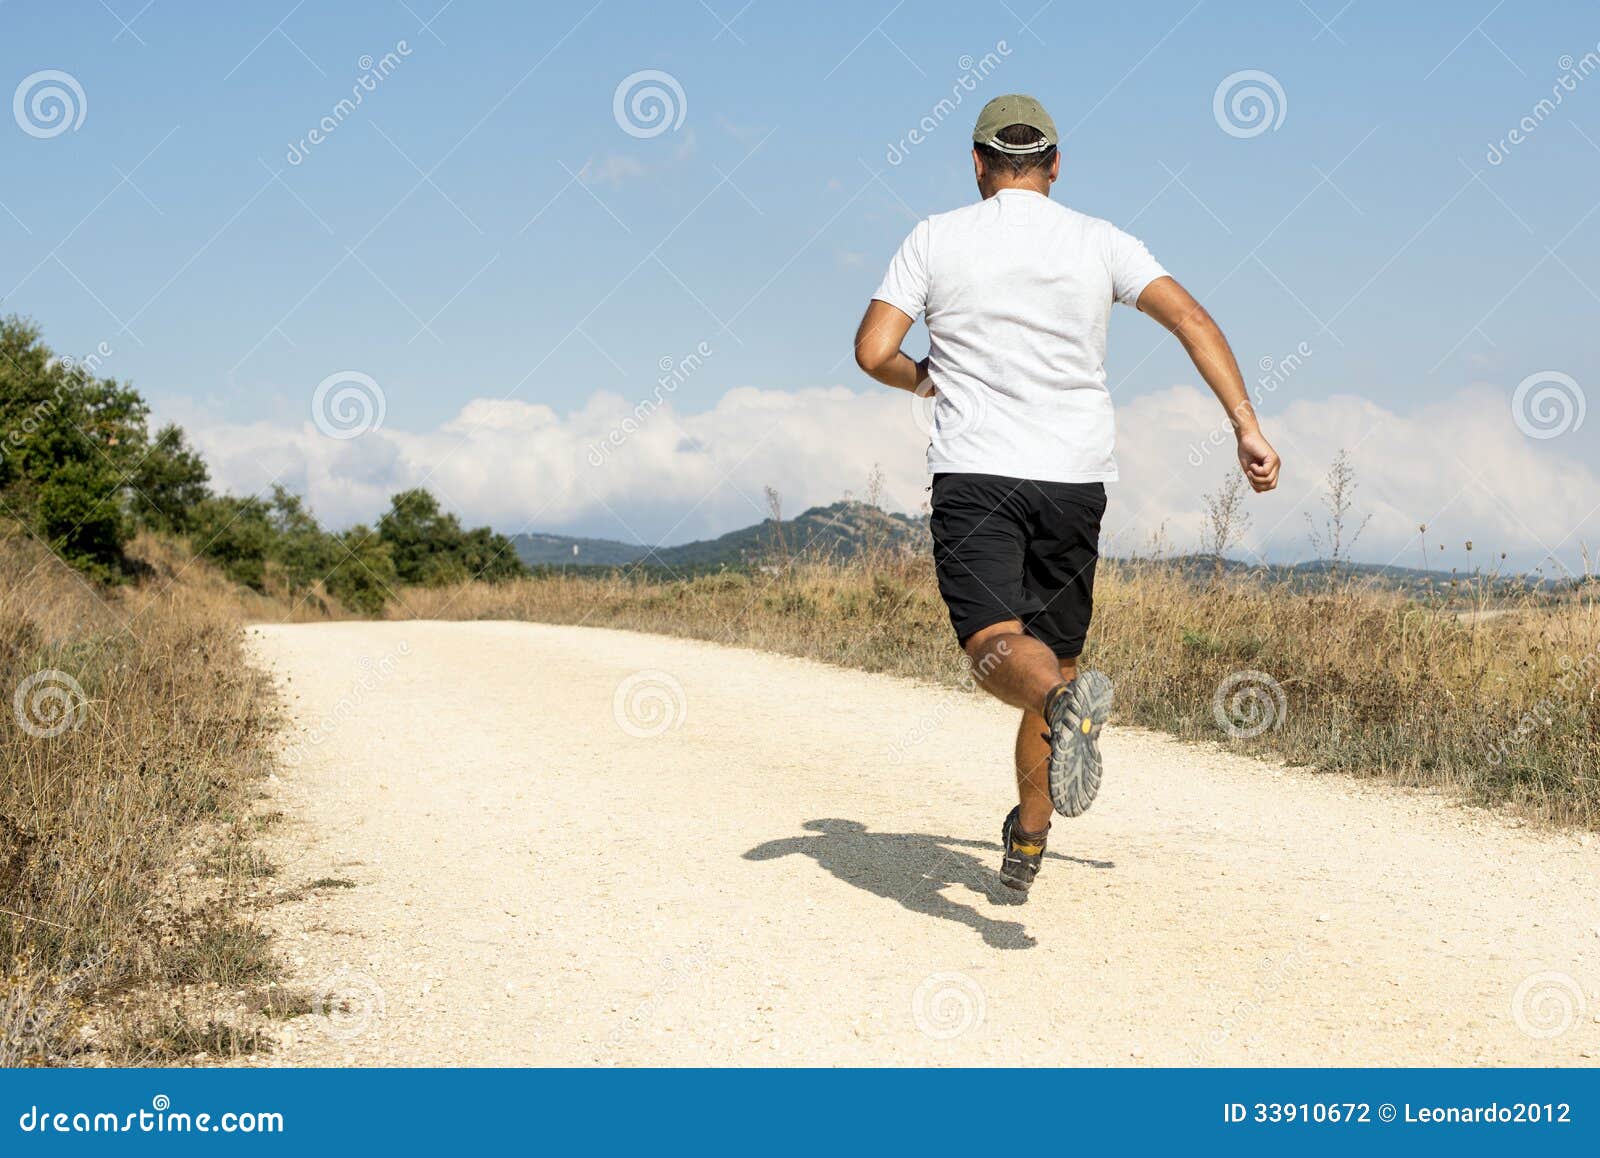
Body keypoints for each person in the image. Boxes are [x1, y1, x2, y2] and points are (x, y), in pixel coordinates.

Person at [853, 94, 1280, 895]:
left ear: (978, 164)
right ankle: (1031, 834)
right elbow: (1191, 317)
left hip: (978, 473)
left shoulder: (936, 237)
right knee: (1055, 656)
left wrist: (925, 382)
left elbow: (874, 349)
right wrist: (1245, 426)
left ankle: (1061, 704)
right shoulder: (1100, 240)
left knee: (997, 653)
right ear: (1054, 165)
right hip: (1074, 482)